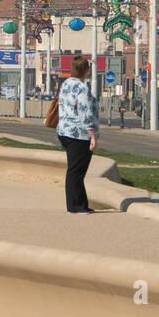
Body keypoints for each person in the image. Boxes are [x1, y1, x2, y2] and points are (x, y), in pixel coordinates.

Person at [56, 54, 99, 214]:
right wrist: (92, 135)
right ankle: (74, 206)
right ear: (86, 70)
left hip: (65, 131)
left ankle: (81, 203)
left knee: (76, 170)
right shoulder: (81, 88)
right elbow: (85, 112)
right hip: (78, 134)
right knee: (76, 171)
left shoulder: (66, 84)